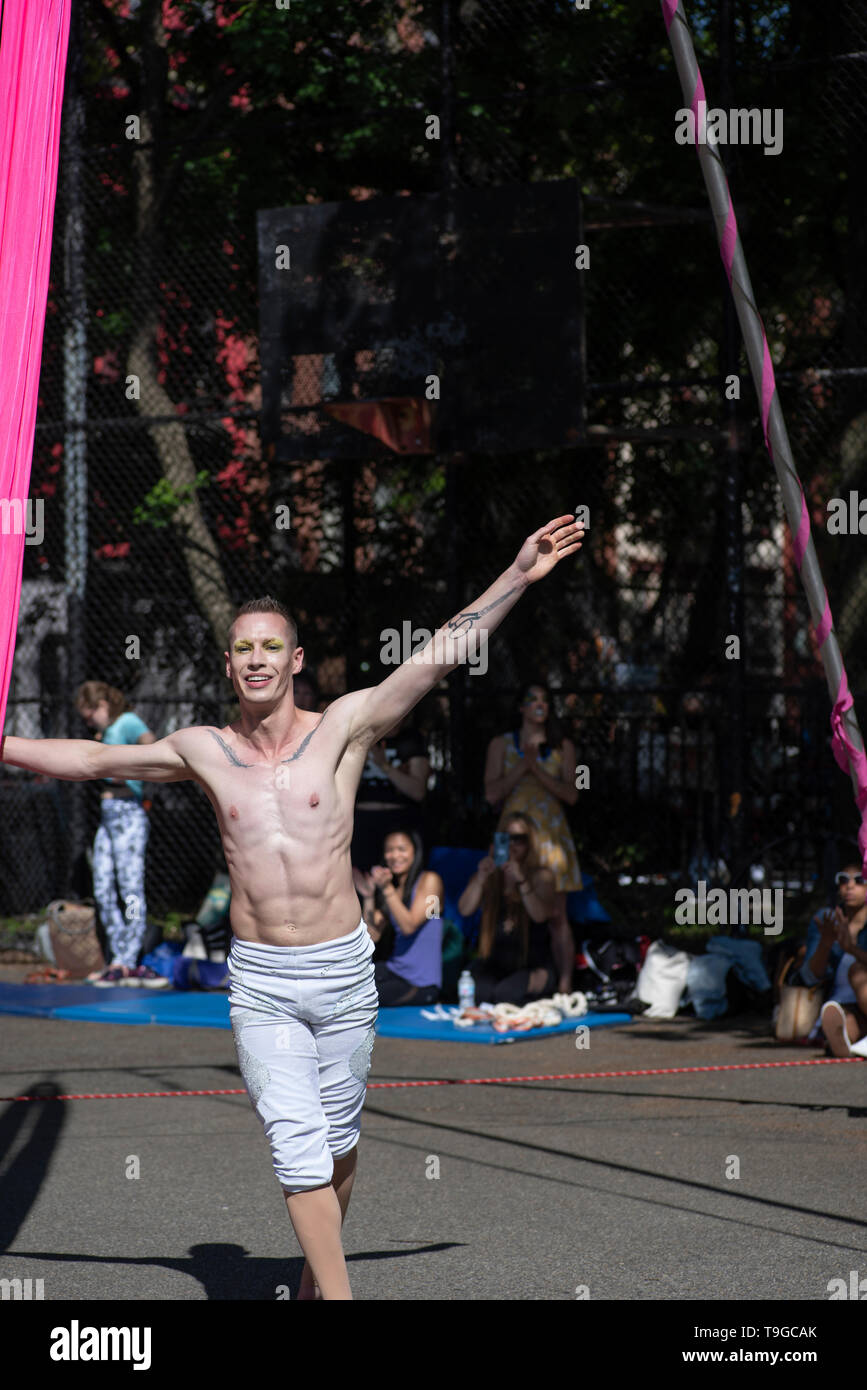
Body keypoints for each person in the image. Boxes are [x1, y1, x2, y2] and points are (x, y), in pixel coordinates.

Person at [0, 511, 584, 1299]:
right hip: (263, 981)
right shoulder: (203, 749)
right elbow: (93, 757)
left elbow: (435, 657)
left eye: (270, 646)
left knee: (337, 1147)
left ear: (295, 659)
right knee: (297, 1147)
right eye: (243, 647)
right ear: (230, 661)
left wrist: (517, 573)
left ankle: (314, 1286)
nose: (256, 659)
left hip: (344, 974)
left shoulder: (346, 726)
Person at [483, 681, 580, 994]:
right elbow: (491, 792)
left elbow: (572, 795)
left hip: (551, 836)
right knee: (501, 904)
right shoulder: (500, 744)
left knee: (556, 914)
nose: (540, 705)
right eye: (532, 699)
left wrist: (535, 769)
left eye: (545, 700)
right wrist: (522, 765)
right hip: (509, 833)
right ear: (521, 707)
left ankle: (564, 986)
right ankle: (503, 978)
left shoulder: (563, 746)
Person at [74, 681, 166, 988]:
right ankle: (116, 956)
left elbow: (152, 744)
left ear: (101, 705)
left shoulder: (127, 721)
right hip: (108, 815)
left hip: (128, 810)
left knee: (130, 887)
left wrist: (128, 769)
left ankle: (128, 959)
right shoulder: (108, 730)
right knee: (101, 885)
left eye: (90, 716)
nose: (89, 724)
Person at [457, 813, 559, 1005]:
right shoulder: (490, 878)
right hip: (495, 963)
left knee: (507, 995)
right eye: (505, 838)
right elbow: (464, 909)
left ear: (530, 843)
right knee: (480, 995)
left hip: (532, 965)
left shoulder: (541, 876)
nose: (512, 845)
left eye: (519, 839)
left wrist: (522, 881)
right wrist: (480, 878)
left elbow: (540, 915)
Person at [355, 828, 444, 1006]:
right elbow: (372, 936)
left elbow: (409, 926)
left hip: (420, 983)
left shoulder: (430, 881)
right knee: (349, 980)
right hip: (395, 971)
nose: (395, 855)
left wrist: (387, 890)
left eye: (402, 849)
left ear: (415, 852)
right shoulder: (394, 891)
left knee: (359, 995)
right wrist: (369, 897)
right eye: (389, 850)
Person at [794, 863, 867, 1058]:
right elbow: (811, 977)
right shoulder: (825, 919)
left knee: (857, 971)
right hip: (843, 1006)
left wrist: (852, 949)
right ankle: (845, 1043)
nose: (849, 886)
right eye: (843, 880)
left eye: (859, 880)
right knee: (843, 1022)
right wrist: (825, 944)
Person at [351, 713, 430, 872]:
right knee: (363, 877)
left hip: (400, 819)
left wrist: (384, 766)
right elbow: (346, 790)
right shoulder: (361, 739)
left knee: (403, 876)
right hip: (362, 821)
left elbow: (418, 792)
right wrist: (360, 761)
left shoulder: (411, 739)